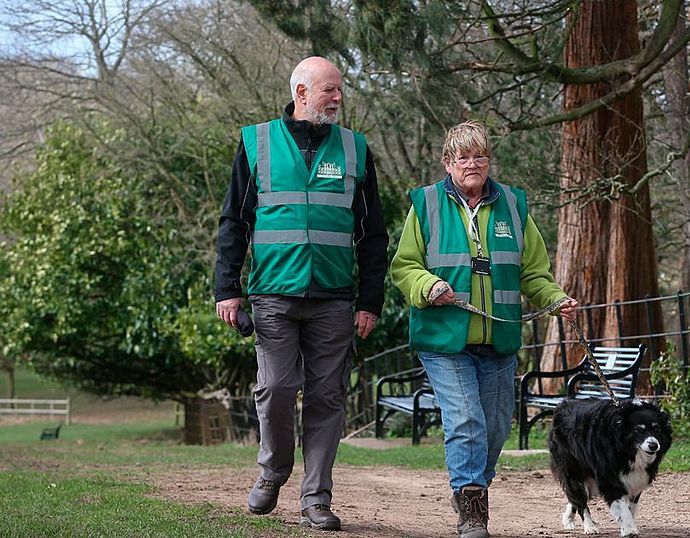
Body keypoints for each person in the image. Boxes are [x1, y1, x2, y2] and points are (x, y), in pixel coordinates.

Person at [214, 56, 388, 532]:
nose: (337, 97)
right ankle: (272, 471)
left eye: (339, 90)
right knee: (274, 389)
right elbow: (234, 222)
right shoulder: (257, 143)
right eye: (329, 89)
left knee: (328, 397)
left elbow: (374, 233)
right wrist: (226, 289)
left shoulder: (355, 149)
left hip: (334, 297)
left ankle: (316, 499)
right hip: (273, 292)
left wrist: (370, 300)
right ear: (301, 92)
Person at [390, 120, 578, 538]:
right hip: (444, 340)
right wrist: (429, 285)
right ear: (447, 163)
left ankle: (473, 489)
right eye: (463, 157)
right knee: (466, 421)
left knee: (495, 427)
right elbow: (403, 267)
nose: (473, 164)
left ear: (489, 160)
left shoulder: (513, 205)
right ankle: (473, 511)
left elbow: (533, 272)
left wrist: (554, 299)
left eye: (480, 156)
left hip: (499, 342)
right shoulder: (425, 204)